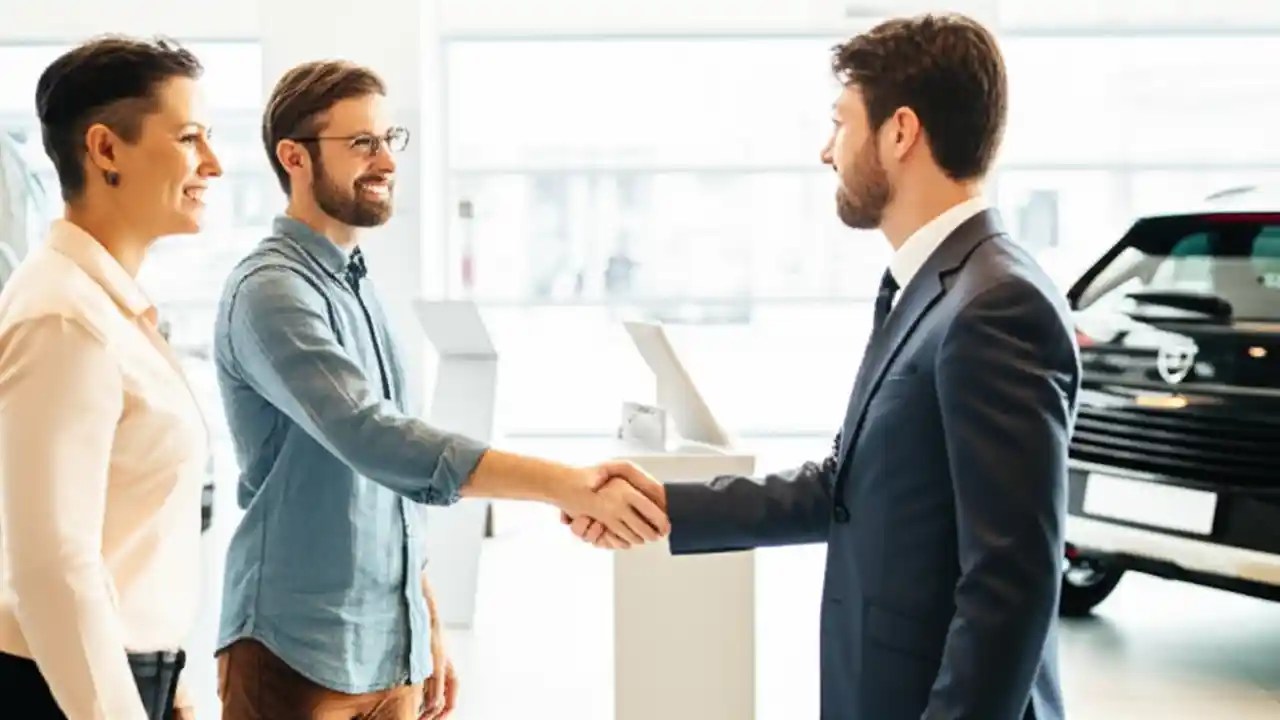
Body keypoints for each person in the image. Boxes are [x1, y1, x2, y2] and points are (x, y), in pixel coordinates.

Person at [569, 13, 1079, 720]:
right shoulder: (937, 287)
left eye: (840, 123)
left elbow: (1011, 582)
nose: (825, 151)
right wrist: (663, 503)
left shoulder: (994, 305)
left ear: (900, 132)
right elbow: (850, 488)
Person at [212, 59, 668, 720]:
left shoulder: (359, 282)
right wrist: (564, 484)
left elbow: (386, 486)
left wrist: (420, 615)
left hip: (388, 649)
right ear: (295, 157)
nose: (386, 160)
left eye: (389, 139)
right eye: (361, 142)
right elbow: (373, 437)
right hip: (294, 649)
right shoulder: (271, 290)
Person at [0, 36, 222, 720]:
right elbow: (52, 568)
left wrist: (171, 681)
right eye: (189, 138)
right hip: (62, 690)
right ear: (105, 150)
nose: (211, 164)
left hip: (112, 676)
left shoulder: (104, 306)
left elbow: (125, 534)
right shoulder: (64, 318)